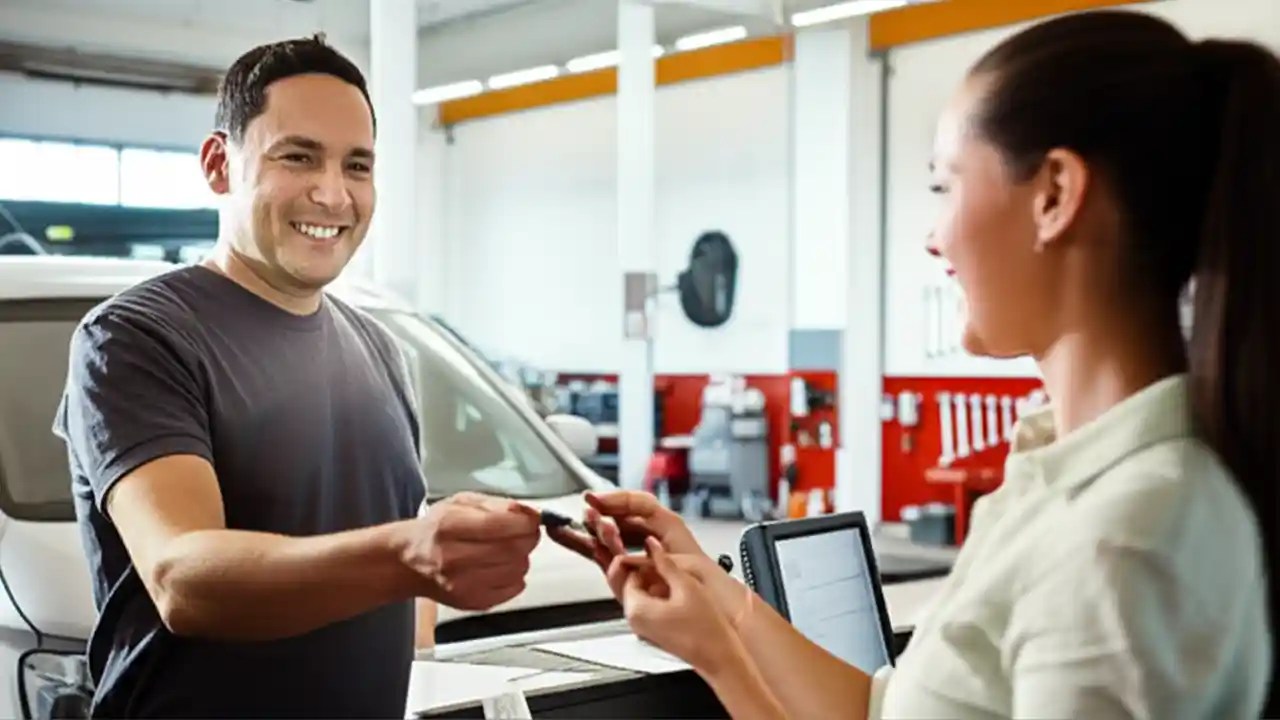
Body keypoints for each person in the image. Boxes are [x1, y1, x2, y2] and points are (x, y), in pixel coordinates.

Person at [552, 9, 1278, 719]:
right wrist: (721, 604)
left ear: (1054, 195)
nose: (934, 239)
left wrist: (717, 658)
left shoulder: (1125, 536)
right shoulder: (1056, 482)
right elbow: (882, 709)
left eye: (944, 186)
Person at [53, 36, 543, 718]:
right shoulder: (136, 337)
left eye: (358, 165)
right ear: (219, 164)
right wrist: (407, 555)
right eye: (298, 156)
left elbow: (405, 565)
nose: (332, 193)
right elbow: (183, 579)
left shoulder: (379, 352)